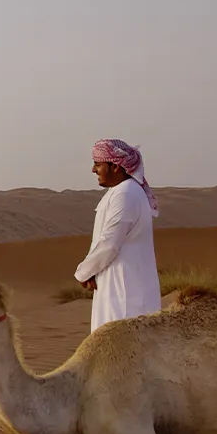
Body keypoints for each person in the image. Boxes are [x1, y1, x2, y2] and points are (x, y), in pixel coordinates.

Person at [74, 138, 162, 332]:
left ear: (115, 166)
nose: (93, 170)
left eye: (98, 164)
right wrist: (92, 271)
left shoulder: (126, 194)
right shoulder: (120, 192)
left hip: (126, 295)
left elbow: (109, 243)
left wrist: (84, 272)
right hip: (117, 289)